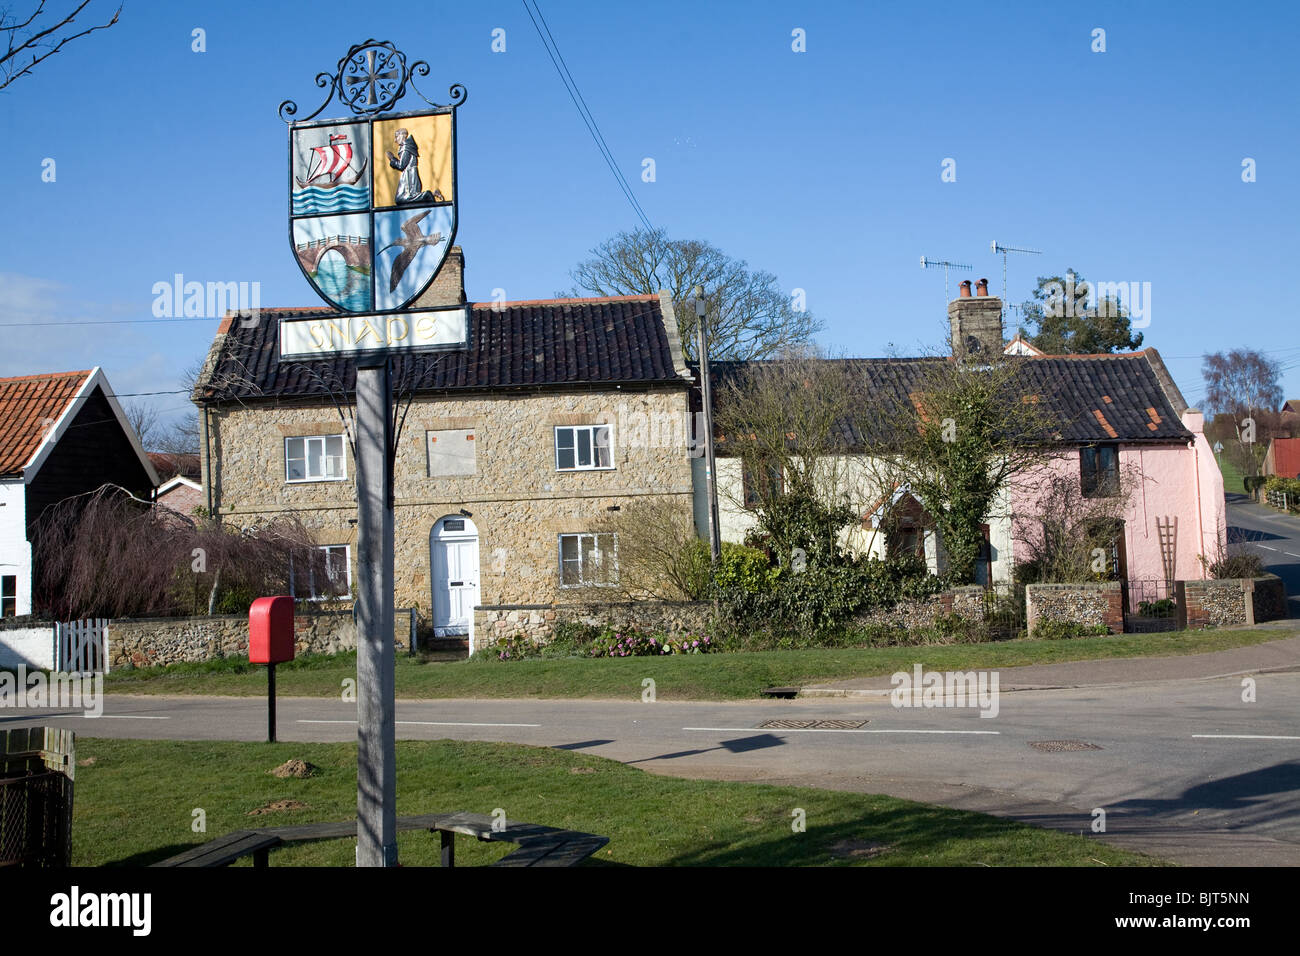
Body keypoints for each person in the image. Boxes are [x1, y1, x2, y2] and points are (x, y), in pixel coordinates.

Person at [386, 128, 433, 204]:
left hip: (409, 177)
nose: (395, 140)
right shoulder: (406, 147)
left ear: (402, 136)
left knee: (402, 198)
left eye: (397, 137)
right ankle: (425, 196)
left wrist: (392, 159)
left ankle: (425, 195)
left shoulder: (406, 148)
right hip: (408, 175)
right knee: (401, 198)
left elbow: (401, 165)